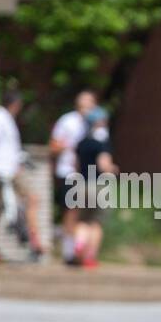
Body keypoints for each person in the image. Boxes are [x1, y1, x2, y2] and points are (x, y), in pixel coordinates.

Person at [0, 90, 41, 264]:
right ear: (15, 104)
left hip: (12, 172)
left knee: (32, 199)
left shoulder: (8, 119)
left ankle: (34, 242)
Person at [50, 90, 96, 263]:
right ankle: (69, 252)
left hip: (90, 175)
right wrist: (66, 147)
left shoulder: (96, 125)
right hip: (69, 172)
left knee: (87, 215)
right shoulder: (67, 121)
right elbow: (54, 145)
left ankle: (84, 252)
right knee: (71, 211)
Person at [71, 107, 117, 268]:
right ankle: (90, 257)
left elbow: (75, 165)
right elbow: (103, 165)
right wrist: (113, 169)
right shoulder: (102, 143)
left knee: (82, 221)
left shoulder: (81, 143)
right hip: (99, 185)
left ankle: (78, 246)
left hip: (82, 184)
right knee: (96, 223)